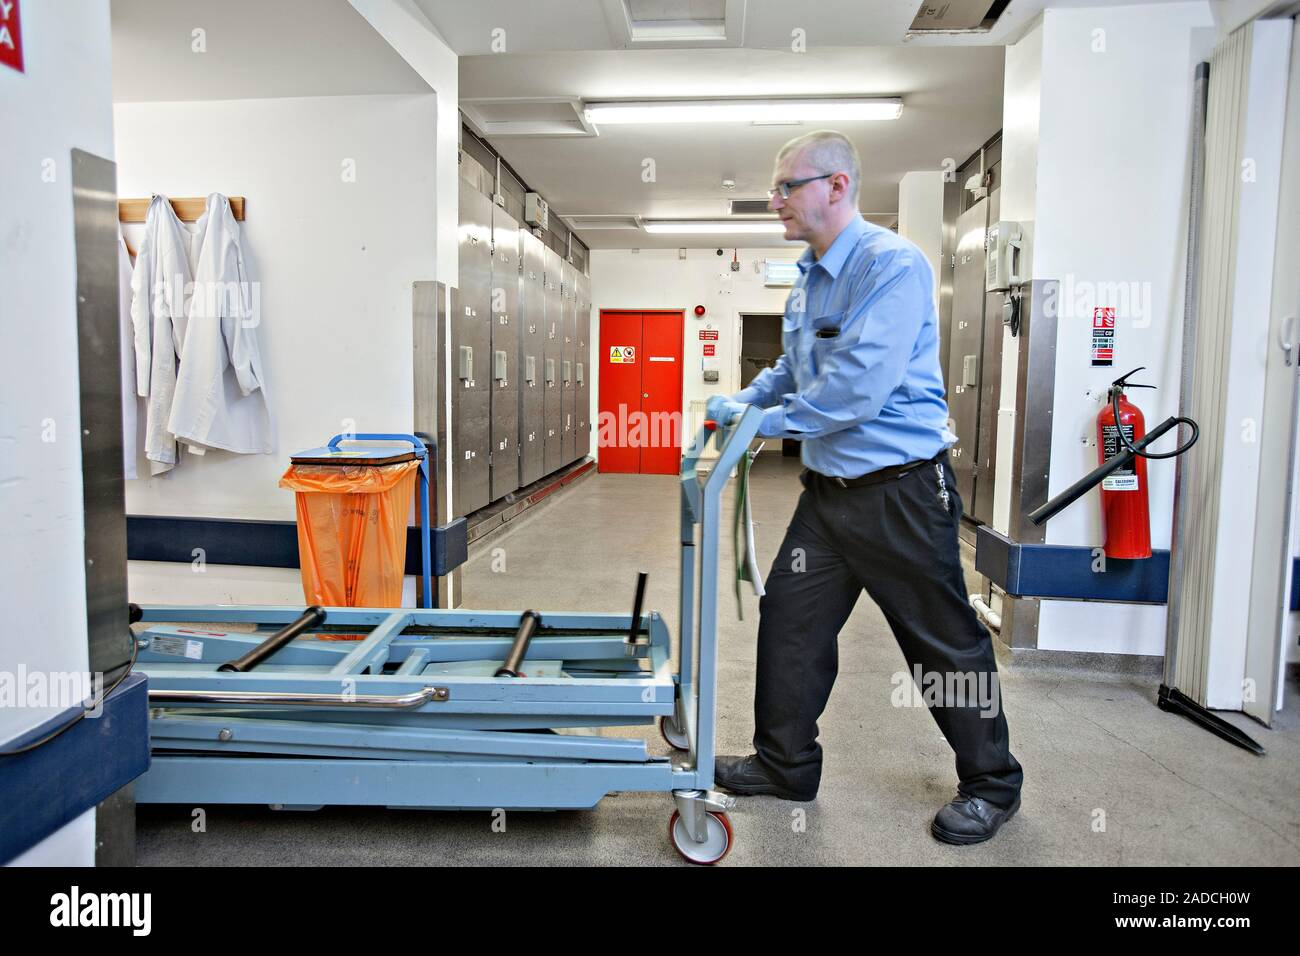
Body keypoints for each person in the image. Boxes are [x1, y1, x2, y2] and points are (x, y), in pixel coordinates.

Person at [707, 130, 1023, 845]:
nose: (775, 199)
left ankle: (993, 782)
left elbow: (853, 390)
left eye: (787, 185)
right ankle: (784, 762)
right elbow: (793, 370)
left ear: (837, 187)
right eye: (777, 187)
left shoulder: (891, 266)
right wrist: (746, 397)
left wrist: (765, 420)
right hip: (827, 499)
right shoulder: (810, 274)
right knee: (790, 619)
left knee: (941, 644)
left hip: (901, 494)